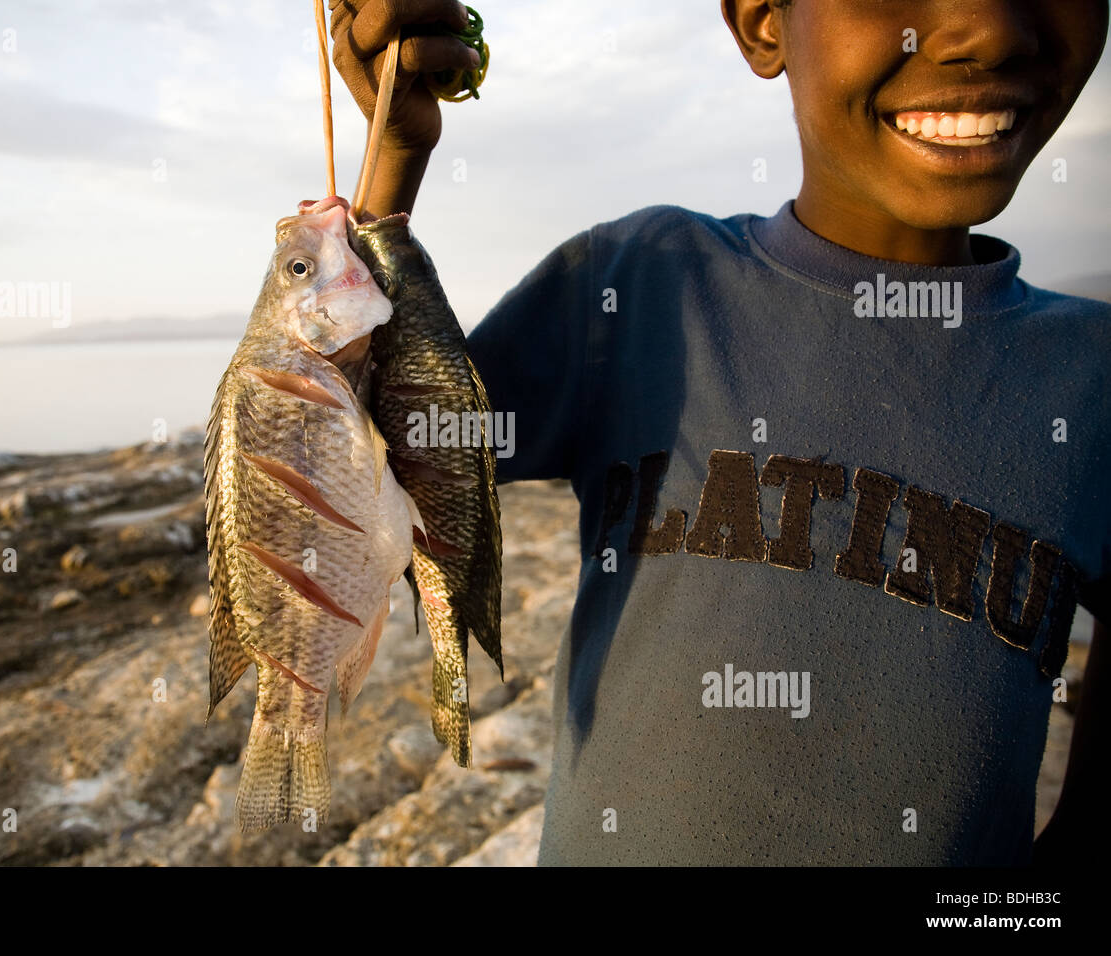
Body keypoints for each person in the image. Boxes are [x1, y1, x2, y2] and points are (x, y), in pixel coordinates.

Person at [329, 0, 1109, 865]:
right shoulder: (638, 284)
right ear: (763, 22)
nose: (992, 28)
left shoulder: (1094, 378)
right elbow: (345, 471)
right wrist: (391, 161)